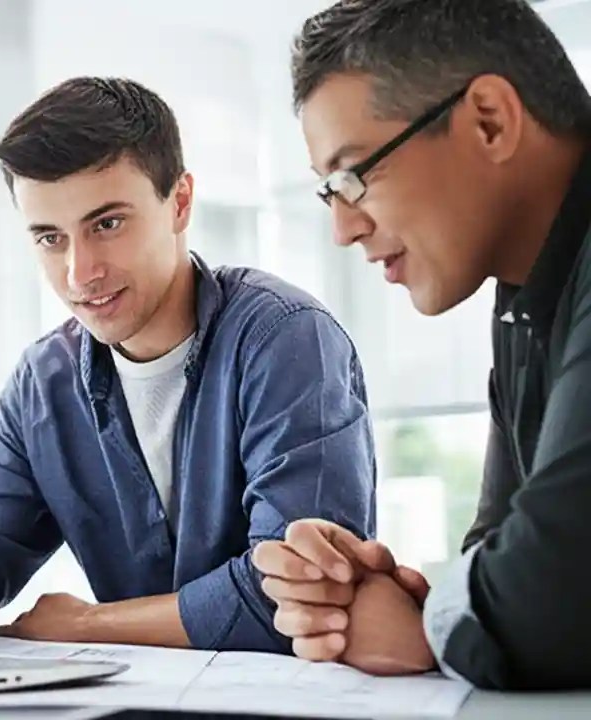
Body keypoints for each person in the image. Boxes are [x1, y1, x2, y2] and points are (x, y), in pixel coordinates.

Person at [0, 76, 377, 653]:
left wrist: (89, 627)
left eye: (107, 224)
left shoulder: (286, 338)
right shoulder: (44, 384)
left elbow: (303, 592)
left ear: (179, 202)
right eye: (50, 238)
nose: (81, 273)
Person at [253, 0, 591, 690]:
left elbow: (550, 599)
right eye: (328, 193)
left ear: (490, 122)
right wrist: (383, 597)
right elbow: (502, 548)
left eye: (354, 175)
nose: (344, 230)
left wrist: (419, 616)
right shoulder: (528, 293)